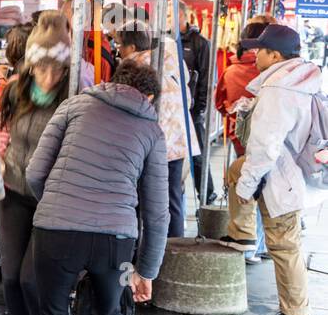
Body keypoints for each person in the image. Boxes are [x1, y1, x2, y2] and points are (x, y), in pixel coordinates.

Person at [26, 62, 169, 315]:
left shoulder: (73, 107)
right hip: (116, 239)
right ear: (149, 96)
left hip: (57, 230)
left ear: (113, 81)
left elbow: (35, 172)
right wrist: (148, 270)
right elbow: (157, 211)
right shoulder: (152, 129)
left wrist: (58, 207)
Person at [216, 24, 321, 315]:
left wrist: (248, 189)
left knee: (285, 244)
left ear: (274, 55)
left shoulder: (279, 89)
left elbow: (265, 147)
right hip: (296, 173)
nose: (254, 54)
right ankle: (243, 234)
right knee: (237, 170)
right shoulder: (301, 79)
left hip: (283, 178)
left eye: (259, 50)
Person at [0, 17, 71, 315]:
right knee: (10, 277)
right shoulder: (13, 91)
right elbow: (3, 134)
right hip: (11, 192)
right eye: (41, 67)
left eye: (55, 69)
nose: (47, 77)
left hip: (53, 199)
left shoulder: (74, 96)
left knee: (31, 279)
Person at [115, 21, 190, 237]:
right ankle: (175, 250)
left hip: (148, 141)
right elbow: (189, 97)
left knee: (144, 199)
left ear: (130, 46)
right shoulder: (173, 58)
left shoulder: (134, 66)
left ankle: (144, 252)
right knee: (171, 197)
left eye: (120, 45)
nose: (119, 50)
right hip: (177, 139)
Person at [216, 21, 268, 264]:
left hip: (241, 137)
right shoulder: (270, 74)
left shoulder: (231, 71)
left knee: (246, 180)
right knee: (260, 184)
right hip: (267, 139)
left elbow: (220, 103)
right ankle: (256, 243)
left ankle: (249, 242)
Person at [180, 22, 217, 204]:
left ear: (182, 16)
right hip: (172, 108)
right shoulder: (165, 39)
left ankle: (206, 196)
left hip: (192, 110)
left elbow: (206, 77)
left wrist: (200, 107)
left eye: (170, 13)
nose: (167, 17)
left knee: (198, 156)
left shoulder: (200, 43)